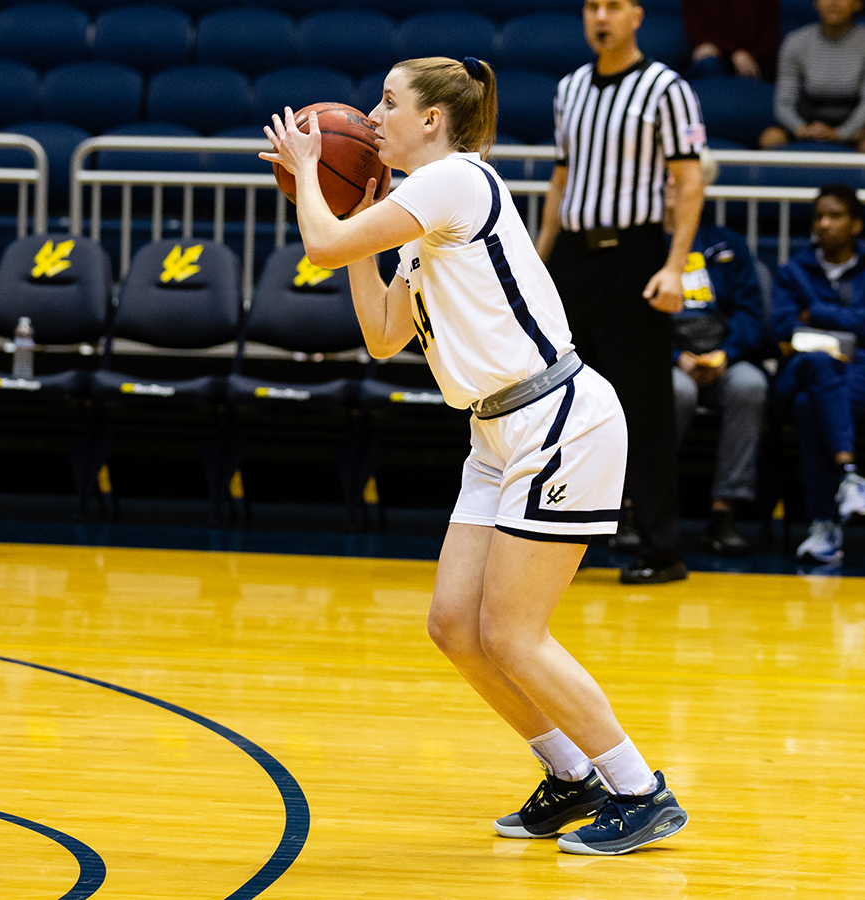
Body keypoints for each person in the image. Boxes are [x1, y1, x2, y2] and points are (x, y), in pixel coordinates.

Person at [261, 56, 689, 855]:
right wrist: (359, 218)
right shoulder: (424, 216)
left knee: (515, 632)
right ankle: (571, 774)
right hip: (495, 434)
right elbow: (384, 338)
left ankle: (641, 789)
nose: (373, 116)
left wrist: (317, 179)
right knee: (456, 626)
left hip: (558, 420)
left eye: (388, 103)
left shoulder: (456, 179)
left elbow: (317, 247)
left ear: (432, 121)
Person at [535, 0, 708, 585]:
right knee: (559, 397)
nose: (599, 17)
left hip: (634, 255)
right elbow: (562, 177)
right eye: (591, 6)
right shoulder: (570, 88)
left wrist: (674, 266)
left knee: (644, 405)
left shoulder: (666, 88)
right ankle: (559, 533)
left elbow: (689, 183)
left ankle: (662, 549)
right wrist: (541, 254)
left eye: (612, 6)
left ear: (637, 16)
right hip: (574, 257)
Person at [770, 185, 865, 565]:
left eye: (835, 216)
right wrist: (844, 332)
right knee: (820, 365)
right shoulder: (793, 271)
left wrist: (819, 315)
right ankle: (848, 474)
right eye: (818, 217)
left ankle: (823, 526)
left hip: (864, 374)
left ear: (856, 224)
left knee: (810, 405)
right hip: (798, 368)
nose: (824, 224)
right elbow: (781, 328)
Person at [667, 150, 769, 556]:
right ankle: (640, 507)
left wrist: (727, 353)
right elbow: (634, 319)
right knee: (676, 391)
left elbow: (750, 312)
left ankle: (724, 512)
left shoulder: (728, 244)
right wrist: (676, 356)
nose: (674, 189)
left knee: (751, 386)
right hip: (672, 358)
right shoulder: (644, 244)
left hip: (723, 356)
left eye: (685, 182)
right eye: (669, 180)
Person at [761, 0, 865, 153]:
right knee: (770, 138)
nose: (833, 3)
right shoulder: (795, 41)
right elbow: (783, 102)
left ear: (858, 4)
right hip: (808, 124)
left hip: (855, 127)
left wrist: (840, 133)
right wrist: (800, 128)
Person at [682, 0, 780, 80]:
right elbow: (695, 32)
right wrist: (732, 51)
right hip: (712, 53)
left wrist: (742, 54)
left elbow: (769, 40)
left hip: (753, 57)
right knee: (707, 62)